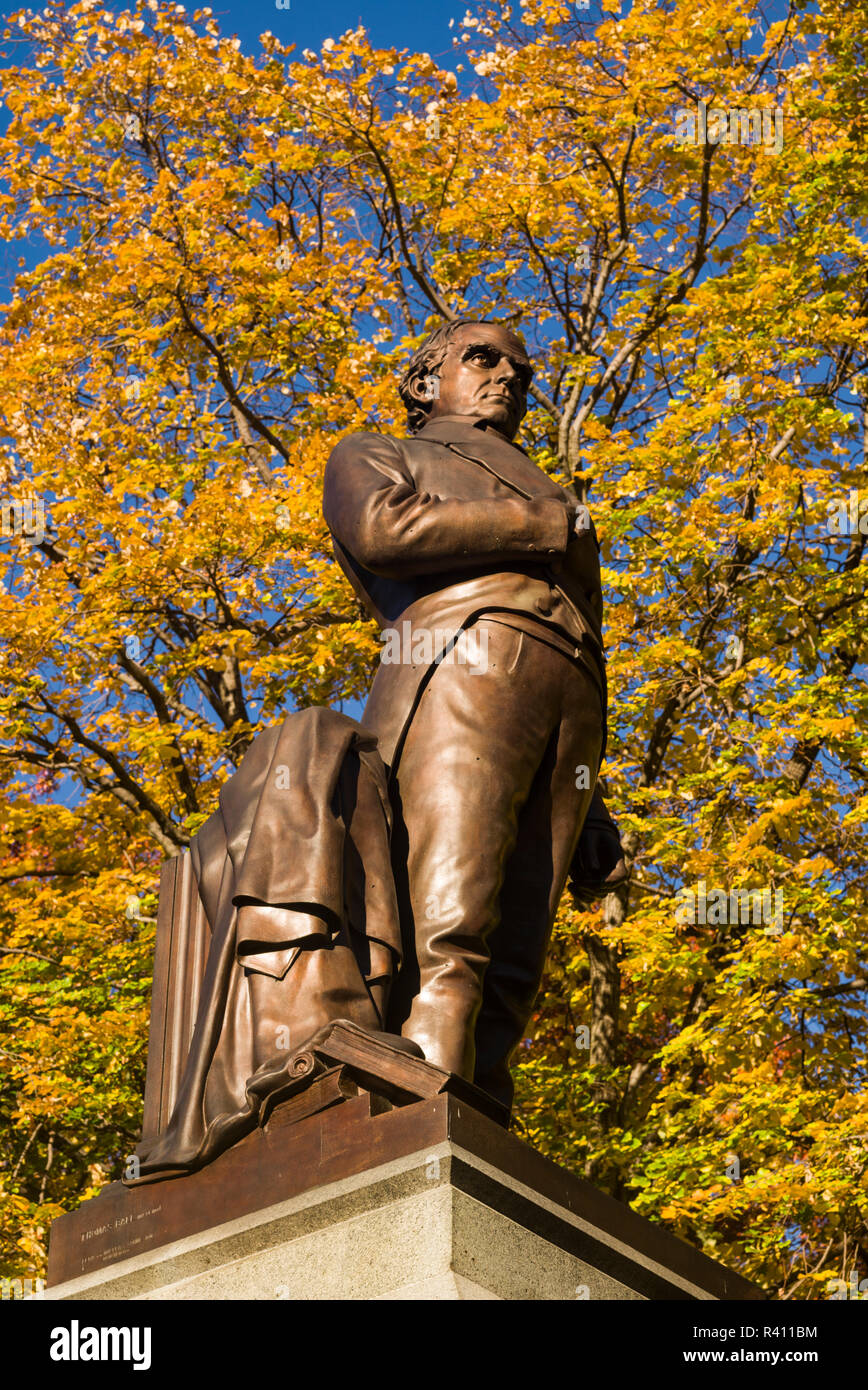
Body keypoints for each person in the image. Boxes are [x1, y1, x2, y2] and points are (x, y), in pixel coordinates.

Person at [323, 319, 625, 1115]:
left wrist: (597, 806)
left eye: (520, 372)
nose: (506, 378)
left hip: (566, 700)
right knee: (451, 911)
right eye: (482, 358)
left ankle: (480, 1108)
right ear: (426, 383)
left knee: (520, 948)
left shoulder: (550, 489)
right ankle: (420, 1096)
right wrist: (540, 525)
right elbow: (386, 530)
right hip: (463, 659)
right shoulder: (381, 452)